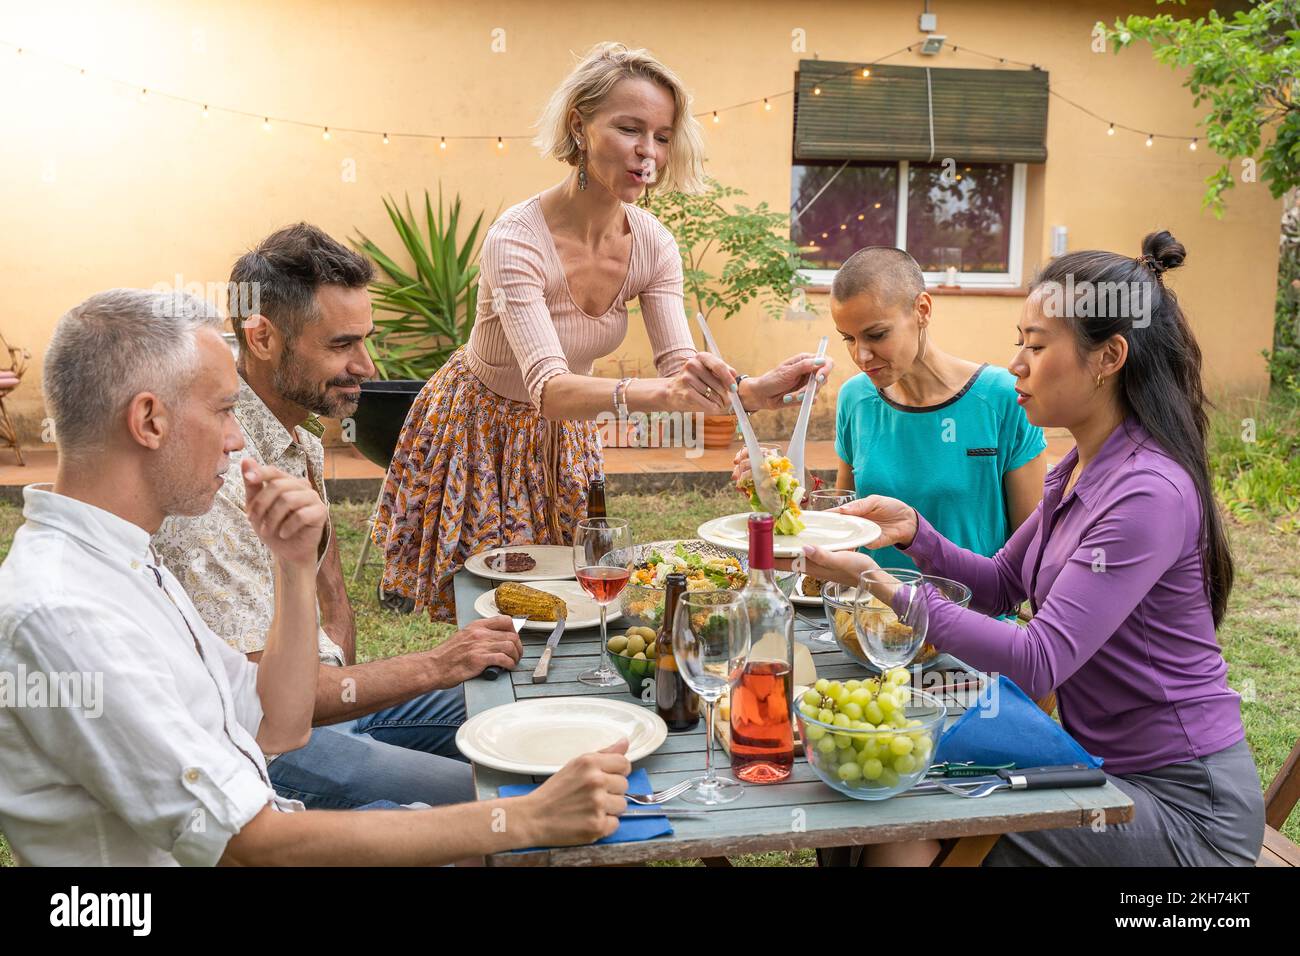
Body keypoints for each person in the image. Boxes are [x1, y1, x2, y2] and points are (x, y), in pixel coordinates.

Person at [0, 289, 630, 866]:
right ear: (149, 421)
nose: (236, 438)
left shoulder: (121, 558)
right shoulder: (67, 611)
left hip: (270, 826)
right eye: (223, 411)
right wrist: (519, 819)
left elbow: (282, 720)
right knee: (506, 842)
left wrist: (294, 568)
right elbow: (252, 845)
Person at [802, 232, 1266, 866]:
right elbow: (997, 584)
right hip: (1097, 765)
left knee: (905, 806)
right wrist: (914, 532)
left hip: (1184, 811)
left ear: (1109, 358)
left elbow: (1039, 660)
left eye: (1037, 346)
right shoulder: (1078, 468)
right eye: (1019, 341)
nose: (1016, 364)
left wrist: (890, 589)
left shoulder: (1147, 494)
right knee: (883, 782)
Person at [374, 41, 832, 620]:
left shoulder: (653, 243)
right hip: (481, 428)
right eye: (629, 129)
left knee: (571, 596)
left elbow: (678, 368)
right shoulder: (516, 240)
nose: (649, 153)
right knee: (486, 609)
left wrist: (754, 390)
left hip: (568, 438)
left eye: (662, 136)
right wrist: (658, 395)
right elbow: (549, 388)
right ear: (579, 126)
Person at [153, 224, 521, 810]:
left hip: (331, 709)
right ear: (264, 337)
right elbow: (268, 706)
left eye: (365, 340)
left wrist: (343, 649)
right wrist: (436, 664)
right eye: (341, 345)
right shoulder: (219, 470)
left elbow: (327, 588)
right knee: (502, 802)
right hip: (264, 748)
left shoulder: (299, 440)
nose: (367, 366)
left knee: (522, 704)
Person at [733, 246, 1046, 571]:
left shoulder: (1004, 398)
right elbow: (848, 524)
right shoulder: (856, 398)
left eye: (876, 335)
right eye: (848, 339)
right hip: (869, 613)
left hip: (973, 616)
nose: (861, 355)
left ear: (922, 310)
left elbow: (1032, 553)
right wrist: (785, 486)